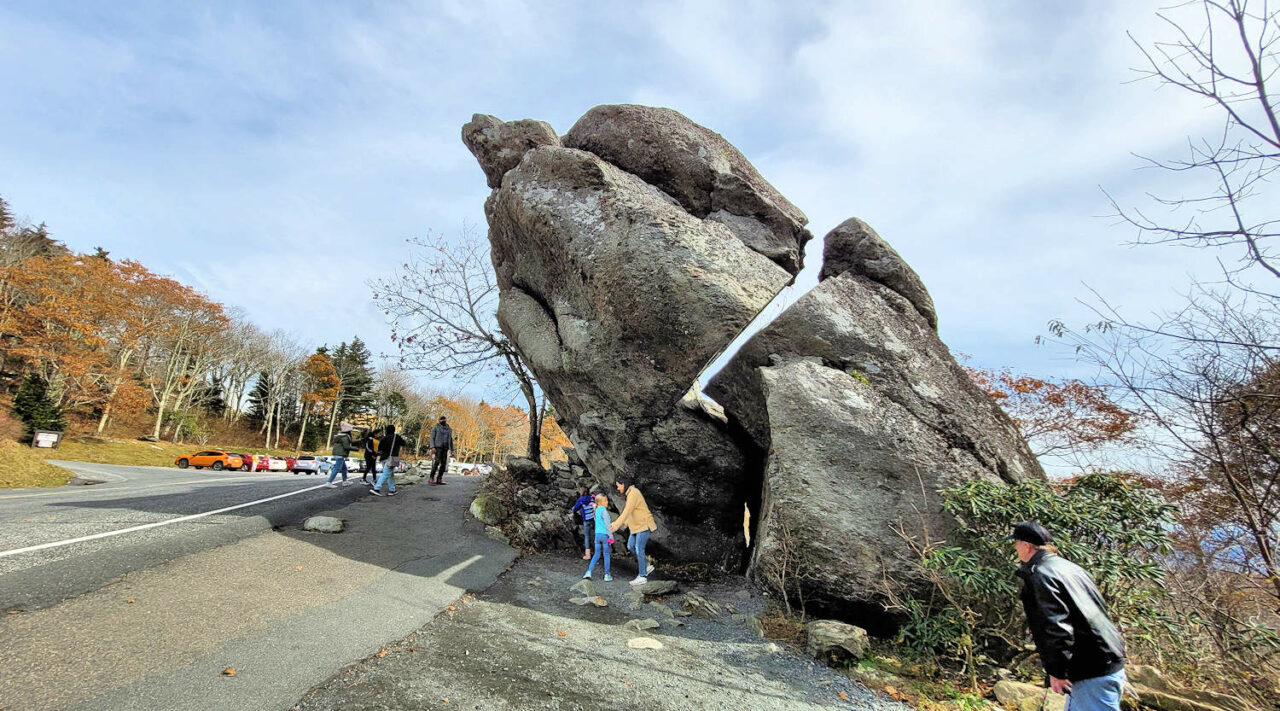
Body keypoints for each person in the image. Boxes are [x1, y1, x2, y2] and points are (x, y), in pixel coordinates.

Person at [1011, 521, 1127, 711]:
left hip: (1091, 669)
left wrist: (1057, 672)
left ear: (1026, 545)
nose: (1015, 549)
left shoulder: (1041, 575)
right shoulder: (1070, 568)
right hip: (1108, 658)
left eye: (1016, 543)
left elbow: (1056, 627)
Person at [609, 474, 657, 585]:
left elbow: (627, 510)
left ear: (624, 484)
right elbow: (631, 512)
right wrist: (625, 524)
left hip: (644, 525)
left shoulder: (634, 493)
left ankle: (642, 576)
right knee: (631, 546)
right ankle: (646, 565)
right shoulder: (629, 494)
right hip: (636, 527)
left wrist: (616, 525)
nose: (618, 488)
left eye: (618, 486)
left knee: (639, 549)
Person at [584, 493, 614, 582]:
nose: (607, 502)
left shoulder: (596, 510)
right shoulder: (604, 511)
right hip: (605, 535)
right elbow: (607, 525)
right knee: (606, 554)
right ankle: (607, 575)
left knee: (596, 554)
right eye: (605, 501)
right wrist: (611, 537)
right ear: (600, 502)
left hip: (597, 535)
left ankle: (588, 572)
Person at [370, 424, 405, 497]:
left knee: (390, 474)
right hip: (392, 458)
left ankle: (392, 490)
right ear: (394, 430)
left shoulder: (384, 438)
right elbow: (403, 443)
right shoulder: (396, 437)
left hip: (383, 458)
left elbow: (379, 448)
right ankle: (376, 488)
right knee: (386, 473)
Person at [326, 422, 355, 488]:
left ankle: (345, 481)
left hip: (337, 453)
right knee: (337, 468)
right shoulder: (345, 437)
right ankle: (329, 482)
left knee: (344, 468)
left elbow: (348, 442)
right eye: (350, 430)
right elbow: (346, 446)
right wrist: (355, 449)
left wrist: (358, 440)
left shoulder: (340, 435)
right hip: (340, 454)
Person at [571, 486, 595, 560]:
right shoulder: (592, 498)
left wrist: (573, 509)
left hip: (586, 519)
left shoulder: (581, 499)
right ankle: (597, 552)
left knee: (587, 536)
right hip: (593, 518)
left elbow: (575, 509)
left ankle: (587, 554)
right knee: (594, 535)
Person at [428, 415, 454, 485]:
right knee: (436, 462)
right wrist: (432, 447)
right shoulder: (435, 428)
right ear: (439, 420)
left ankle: (439, 478)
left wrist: (452, 449)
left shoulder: (449, 429)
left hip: (445, 448)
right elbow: (432, 438)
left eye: (444, 419)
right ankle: (431, 477)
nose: (443, 420)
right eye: (441, 419)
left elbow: (450, 439)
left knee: (444, 464)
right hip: (437, 447)